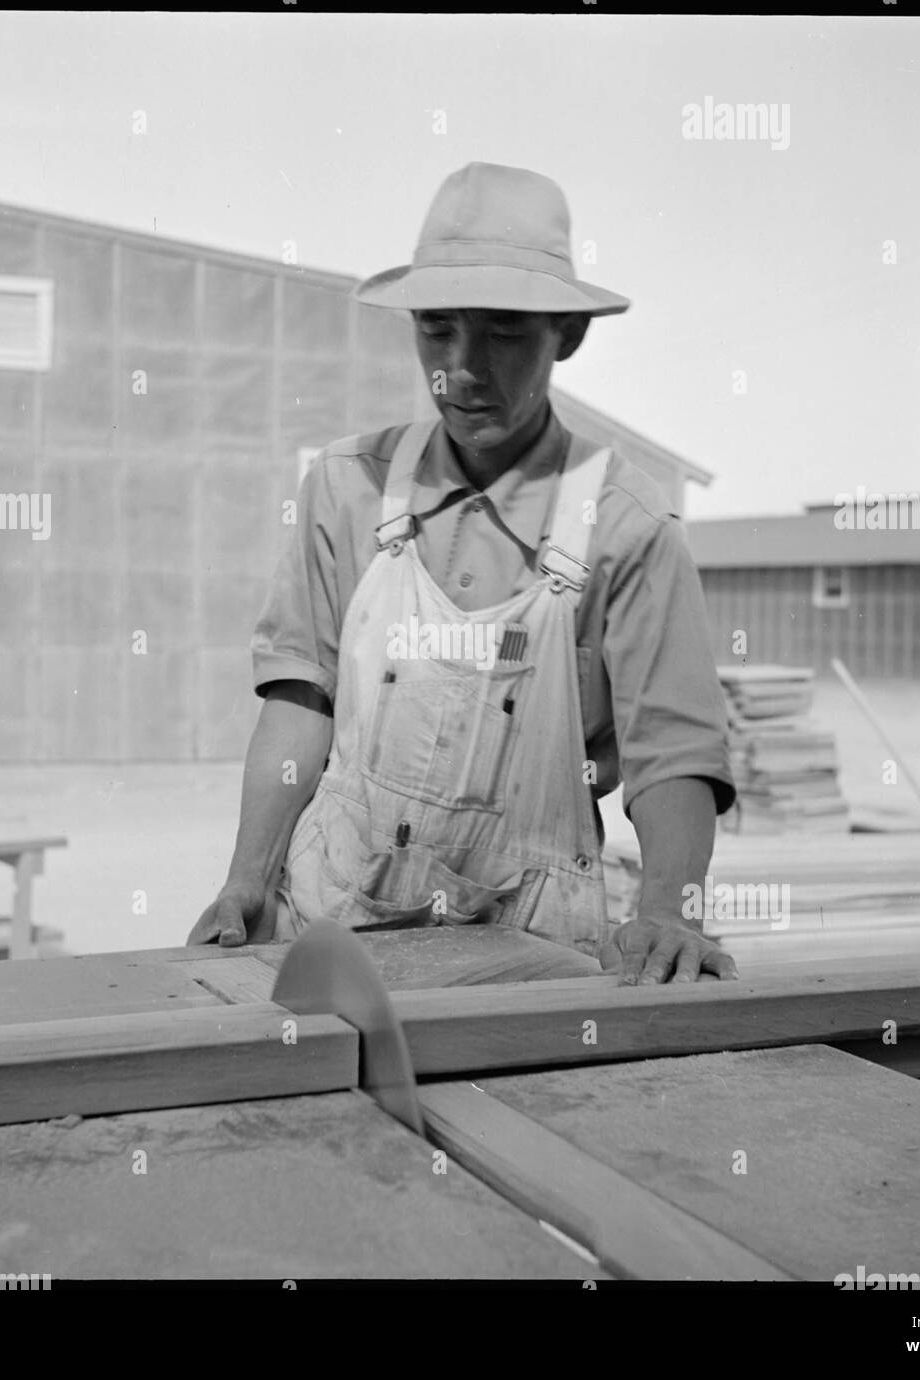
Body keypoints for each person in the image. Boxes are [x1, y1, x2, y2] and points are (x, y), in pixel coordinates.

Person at [189, 162, 738, 984]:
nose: (464, 366)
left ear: (569, 335)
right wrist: (246, 879)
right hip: (332, 920)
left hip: (532, 946)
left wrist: (667, 911)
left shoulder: (628, 527)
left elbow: (675, 755)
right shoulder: (350, 486)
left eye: (505, 333)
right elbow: (300, 698)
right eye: (437, 329)